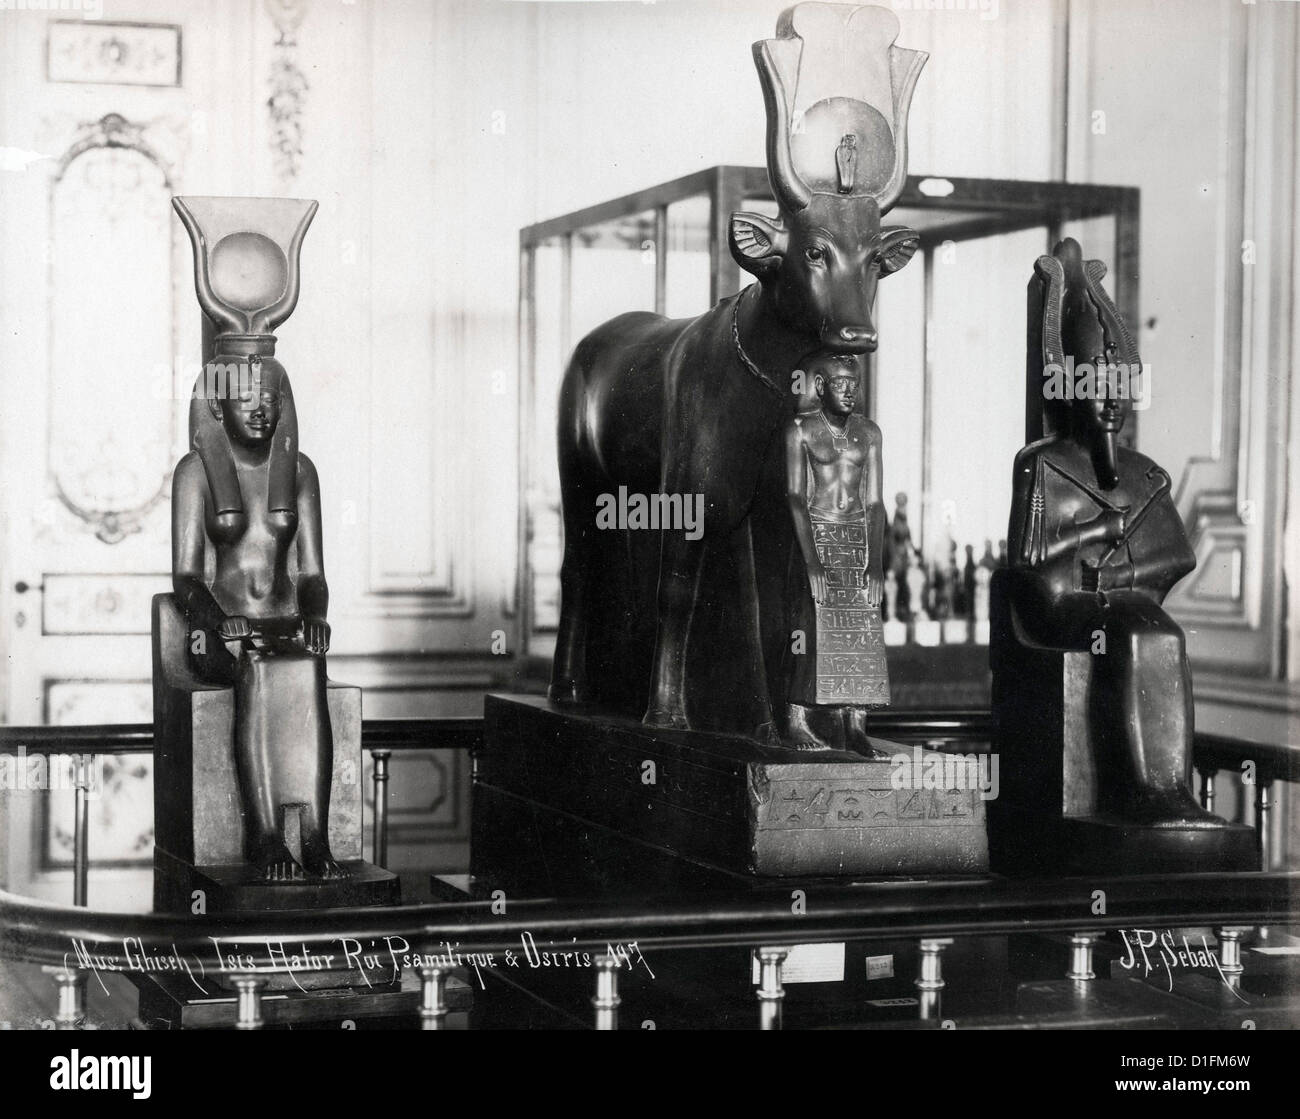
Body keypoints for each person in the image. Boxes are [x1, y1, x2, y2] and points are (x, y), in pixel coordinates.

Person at [1005, 239, 1214, 825]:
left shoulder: (1144, 474)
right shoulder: (1043, 464)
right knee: (1138, 628)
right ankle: (1144, 796)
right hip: (1056, 608)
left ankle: (1165, 792)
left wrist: (1118, 571)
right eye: (1097, 389)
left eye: (1119, 391)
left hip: (1122, 605)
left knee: (1151, 627)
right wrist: (1093, 529)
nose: (1111, 405)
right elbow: (1028, 559)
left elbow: (1175, 556)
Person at [172, 354, 346, 879]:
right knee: (258, 667)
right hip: (213, 633)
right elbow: (185, 578)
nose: (259, 409)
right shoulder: (195, 472)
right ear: (218, 408)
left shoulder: (300, 470)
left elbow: (312, 573)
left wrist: (314, 614)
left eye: (269, 399)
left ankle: (316, 836)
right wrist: (215, 620)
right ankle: (264, 834)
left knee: (306, 667)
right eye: (245, 399)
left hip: (283, 624)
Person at [783, 353, 889, 752]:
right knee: (810, 623)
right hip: (817, 529)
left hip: (857, 535)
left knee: (862, 624)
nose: (849, 392)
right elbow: (795, 496)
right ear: (821, 387)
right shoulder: (802, 429)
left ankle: (855, 723)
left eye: (854, 384)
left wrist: (875, 562)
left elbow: (875, 502)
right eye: (840, 383)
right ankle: (796, 717)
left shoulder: (870, 433)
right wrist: (810, 559)